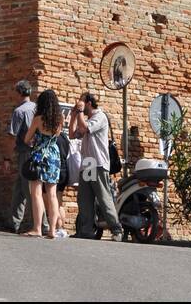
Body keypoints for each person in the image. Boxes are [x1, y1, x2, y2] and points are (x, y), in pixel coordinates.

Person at [69, 92, 123, 241]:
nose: (79, 104)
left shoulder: (100, 116)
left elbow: (86, 128)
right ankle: (86, 230)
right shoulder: (86, 118)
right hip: (87, 163)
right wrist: (74, 115)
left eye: (81, 102)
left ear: (89, 103)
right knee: (84, 199)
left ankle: (117, 229)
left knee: (103, 197)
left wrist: (79, 113)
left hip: (98, 163)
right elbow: (72, 135)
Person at [23, 89, 63, 239]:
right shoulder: (60, 120)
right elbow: (55, 137)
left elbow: (27, 139)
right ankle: (53, 230)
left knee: (36, 193)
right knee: (52, 195)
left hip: (40, 157)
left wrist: (34, 142)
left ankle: (37, 228)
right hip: (54, 156)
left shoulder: (38, 119)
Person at [7, 80, 39, 233]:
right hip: (36, 152)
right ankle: (14, 222)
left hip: (25, 153)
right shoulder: (36, 108)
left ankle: (40, 225)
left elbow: (12, 137)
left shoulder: (19, 112)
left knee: (29, 189)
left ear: (19, 93)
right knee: (20, 189)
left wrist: (7, 158)